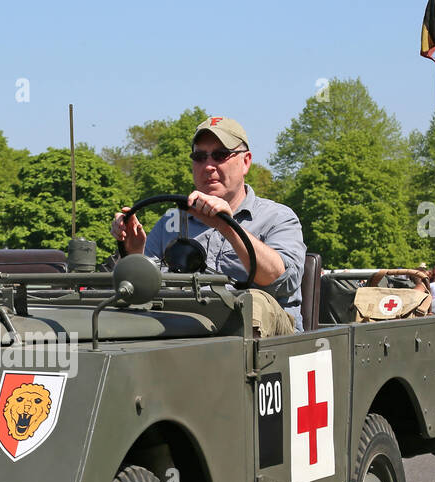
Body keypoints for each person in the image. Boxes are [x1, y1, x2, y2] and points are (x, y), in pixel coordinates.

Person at [111, 116, 305, 336]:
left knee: (251, 302)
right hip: (187, 337)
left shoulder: (278, 217)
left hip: (267, 349)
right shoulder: (171, 222)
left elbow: (280, 280)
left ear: (246, 162)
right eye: (199, 157)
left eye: (221, 155)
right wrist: (133, 254)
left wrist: (227, 227)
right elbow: (138, 291)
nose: (209, 166)